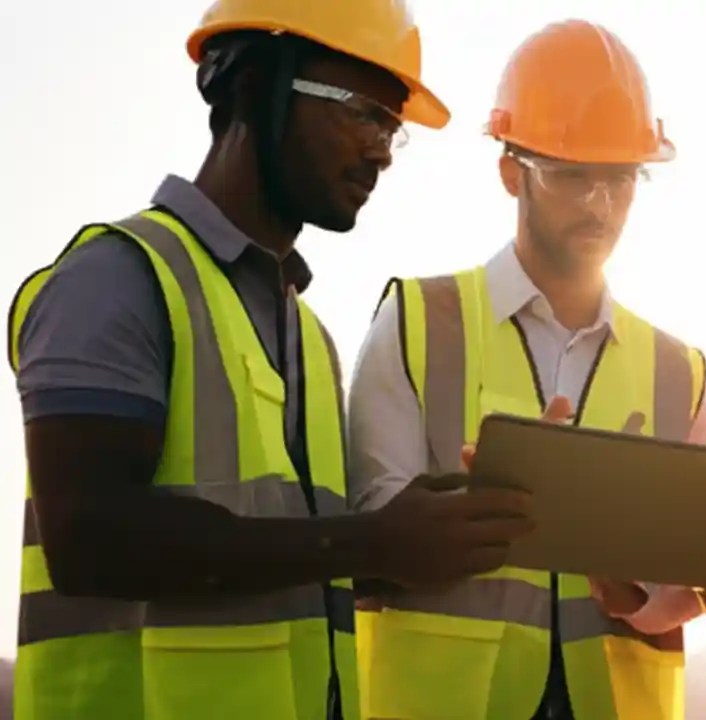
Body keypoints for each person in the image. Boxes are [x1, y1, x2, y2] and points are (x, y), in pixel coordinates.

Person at [6, 2, 539, 719]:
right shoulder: (117, 280)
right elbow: (90, 541)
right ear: (255, 85)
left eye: (393, 127)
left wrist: (434, 529)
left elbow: (306, 562)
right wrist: (371, 540)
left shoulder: (308, 335)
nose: (383, 150)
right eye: (363, 113)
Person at [346, 18, 706, 720]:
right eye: (573, 176)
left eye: (621, 179)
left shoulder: (678, 370)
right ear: (511, 171)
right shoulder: (417, 322)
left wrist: (630, 590)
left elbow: (690, 587)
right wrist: (472, 513)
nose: (601, 205)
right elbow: (366, 539)